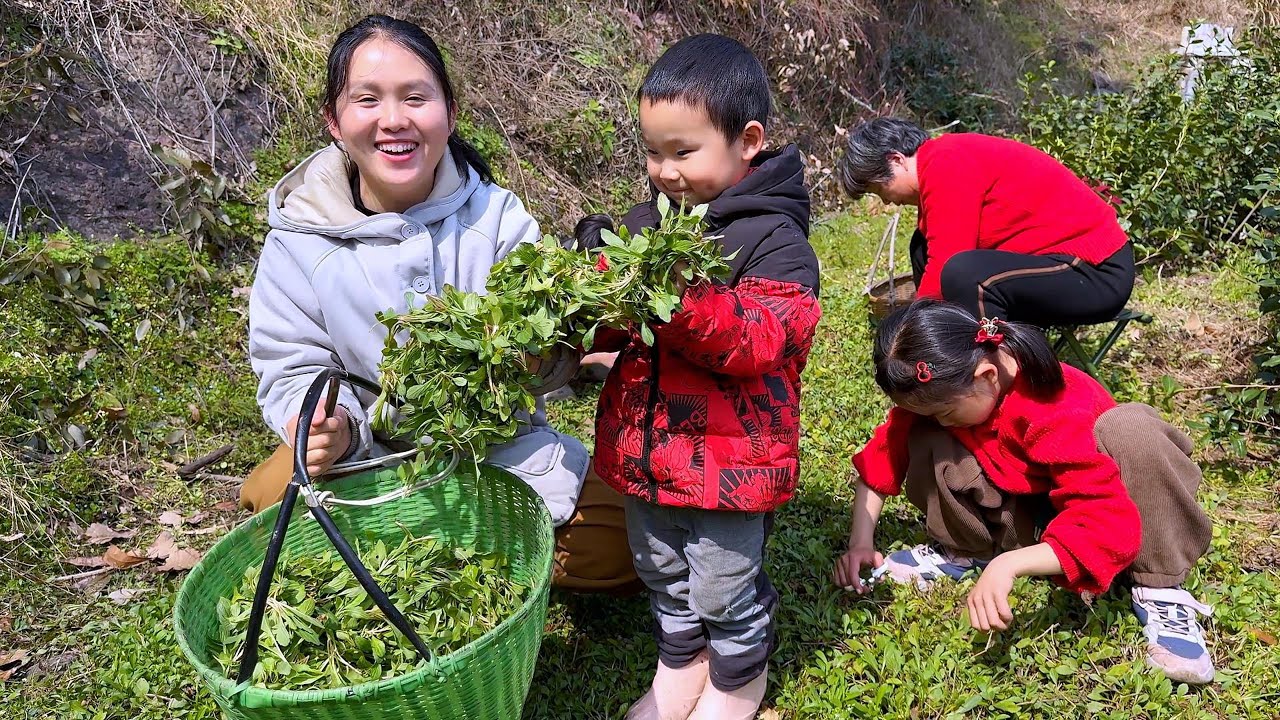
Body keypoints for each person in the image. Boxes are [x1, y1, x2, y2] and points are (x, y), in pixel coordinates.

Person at [239, 14, 638, 594]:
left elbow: (554, 346)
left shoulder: (497, 219)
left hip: (496, 453)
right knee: (269, 500)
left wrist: (539, 358)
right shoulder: (300, 238)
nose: (393, 120)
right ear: (334, 120)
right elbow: (291, 361)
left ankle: (443, 544)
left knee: (623, 542)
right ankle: (460, 546)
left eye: (415, 98)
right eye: (367, 100)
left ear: (449, 114)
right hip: (368, 455)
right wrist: (332, 425)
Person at [586, 34, 822, 720]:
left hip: (729, 462)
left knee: (722, 585)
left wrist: (672, 292)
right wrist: (591, 284)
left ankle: (738, 678)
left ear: (747, 141)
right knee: (659, 567)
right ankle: (680, 663)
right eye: (652, 152)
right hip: (647, 451)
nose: (664, 171)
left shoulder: (777, 241)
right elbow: (616, 330)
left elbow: (758, 338)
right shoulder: (647, 228)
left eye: (683, 152)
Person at [832, 300, 1215, 685]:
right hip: (1036, 508)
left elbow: (1105, 524)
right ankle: (969, 549)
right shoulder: (955, 387)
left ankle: (1161, 587)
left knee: (1132, 429)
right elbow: (883, 457)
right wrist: (860, 542)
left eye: (944, 412)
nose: (939, 420)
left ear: (987, 375)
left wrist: (1009, 566)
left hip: (1113, 511)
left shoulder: (1056, 407)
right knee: (923, 432)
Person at [836, 117, 1135, 328]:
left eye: (880, 190)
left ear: (897, 160)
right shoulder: (941, 160)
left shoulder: (946, 162)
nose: (886, 201)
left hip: (1096, 272)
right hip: (1058, 265)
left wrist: (912, 328)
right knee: (922, 246)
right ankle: (953, 354)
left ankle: (986, 375)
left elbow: (949, 261)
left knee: (964, 273)